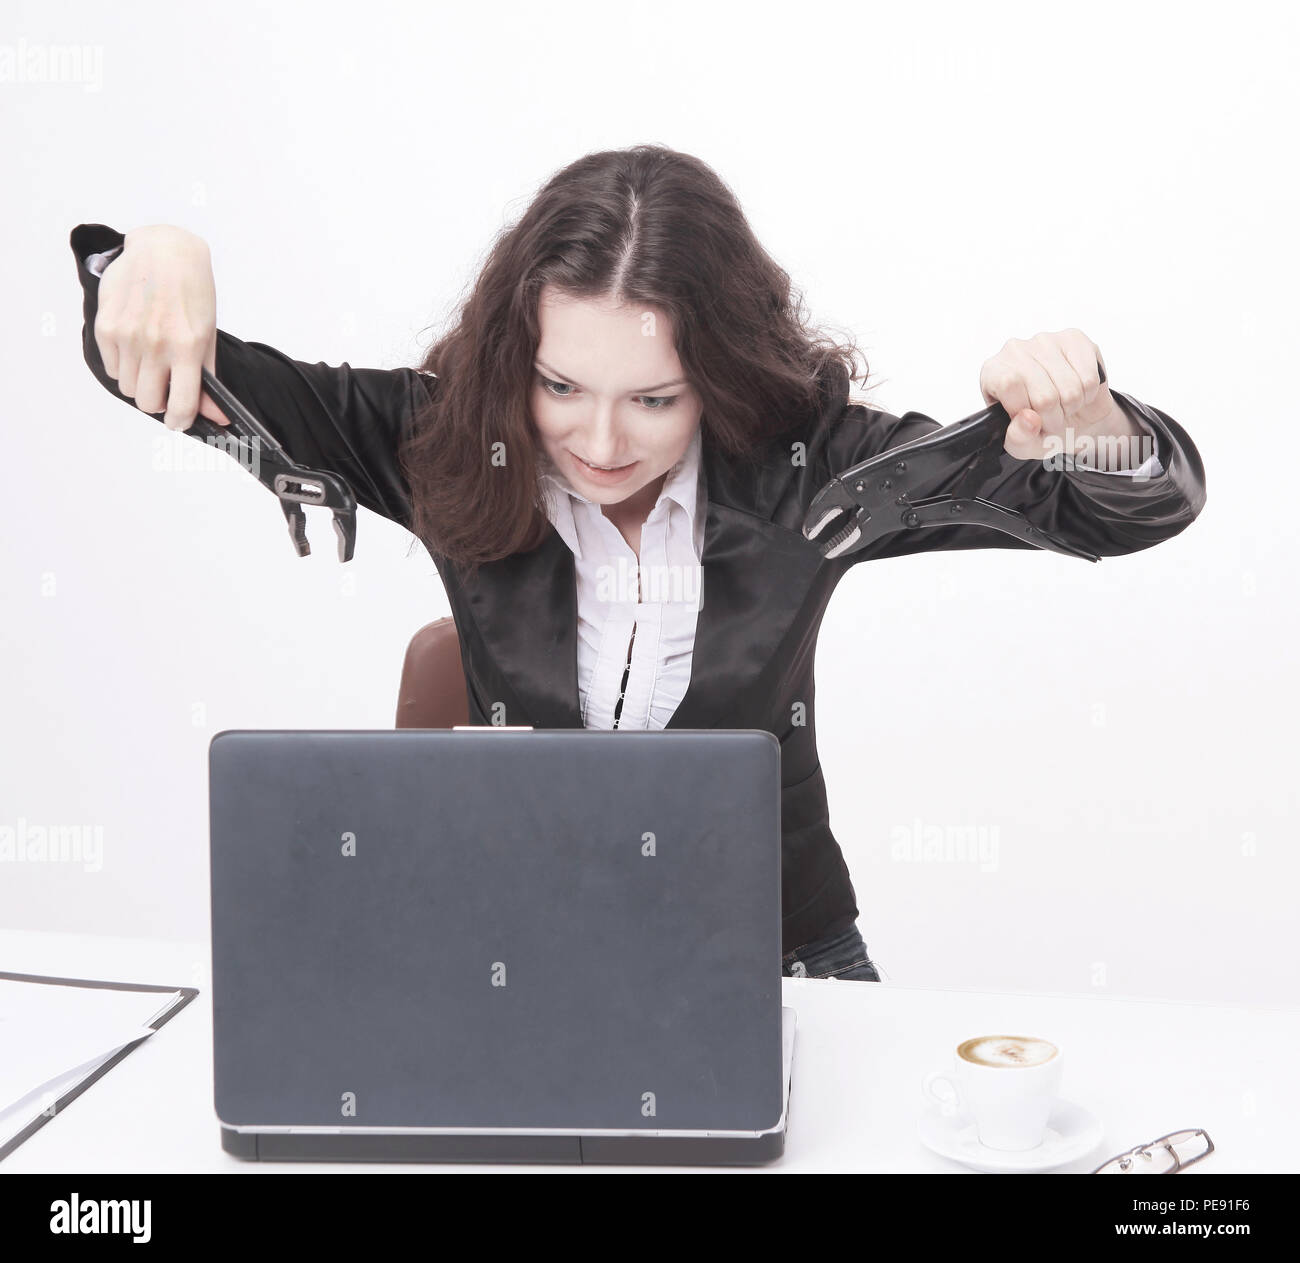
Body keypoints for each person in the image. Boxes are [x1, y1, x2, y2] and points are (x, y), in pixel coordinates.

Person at [69, 144, 1207, 984]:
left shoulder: (812, 467)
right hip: (523, 962)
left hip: (786, 957)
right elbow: (162, 375)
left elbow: (1132, 508)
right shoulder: (444, 439)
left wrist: (1090, 418)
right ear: (516, 356)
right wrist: (151, 258)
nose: (600, 444)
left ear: (720, 374)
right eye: (560, 386)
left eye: (654, 400)